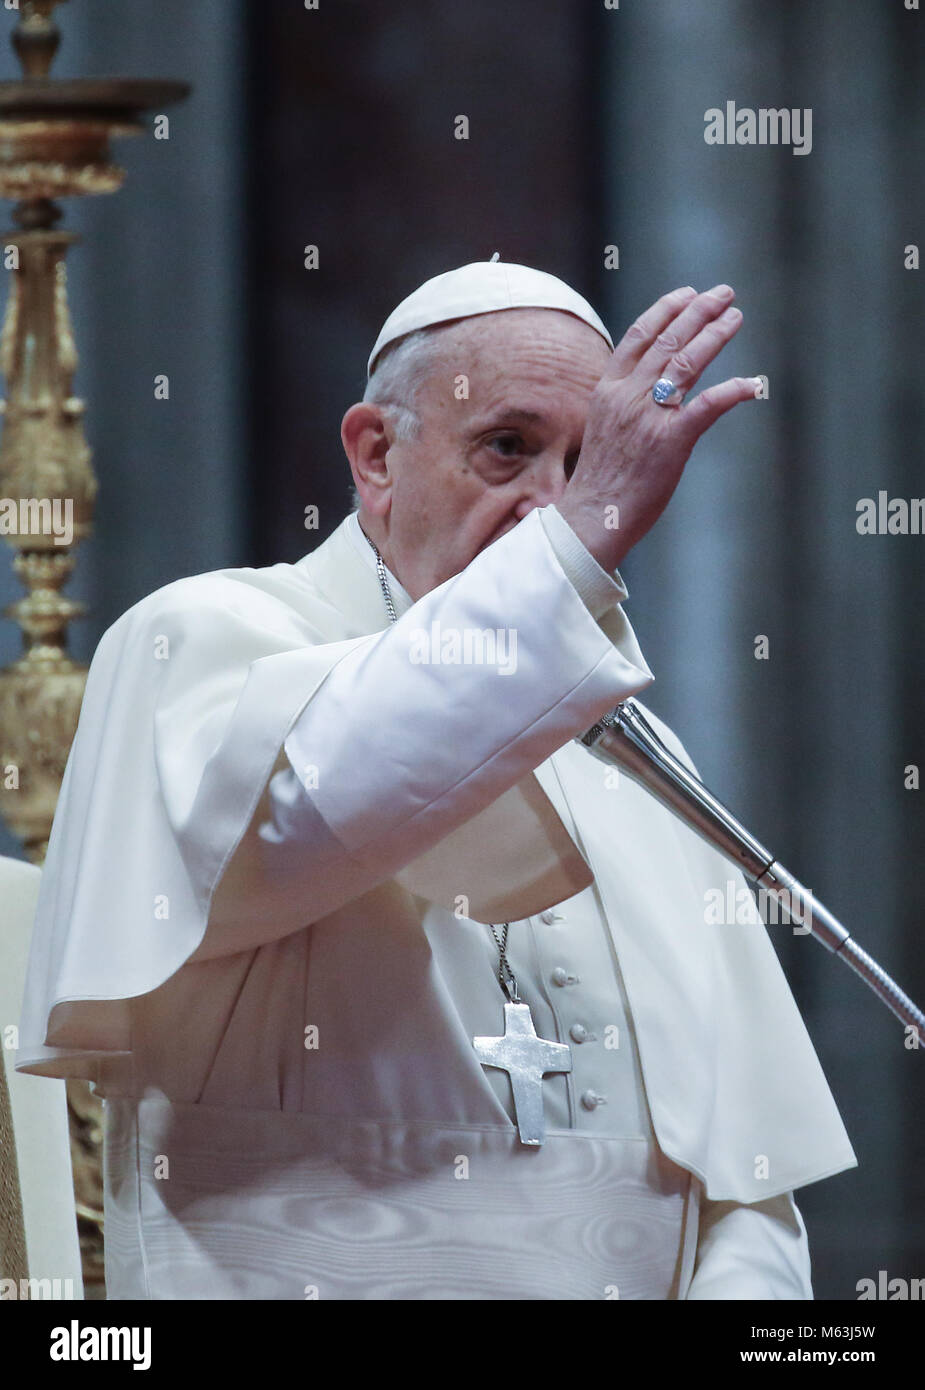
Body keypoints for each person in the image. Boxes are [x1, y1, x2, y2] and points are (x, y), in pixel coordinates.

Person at [15, 260, 856, 1300]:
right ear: (375, 453)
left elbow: (748, 1191)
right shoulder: (200, 639)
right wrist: (575, 550)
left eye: (590, 464)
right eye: (509, 448)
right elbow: (328, 795)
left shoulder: (639, 756)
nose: (554, 505)